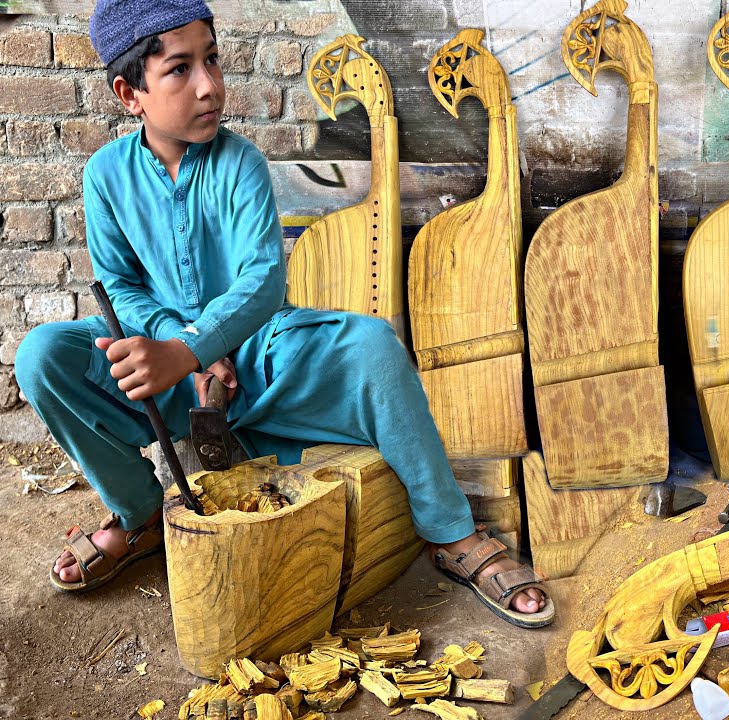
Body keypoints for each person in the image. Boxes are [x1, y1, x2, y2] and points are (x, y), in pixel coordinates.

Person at [14, 0, 552, 628]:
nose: (211, 85)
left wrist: (196, 349)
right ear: (129, 93)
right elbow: (120, 287)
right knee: (44, 356)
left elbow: (263, 283)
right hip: (164, 365)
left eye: (212, 59)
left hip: (259, 360)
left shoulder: (238, 162)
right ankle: (138, 516)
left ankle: (450, 531)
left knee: (374, 346)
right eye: (180, 70)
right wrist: (170, 346)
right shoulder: (105, 175)